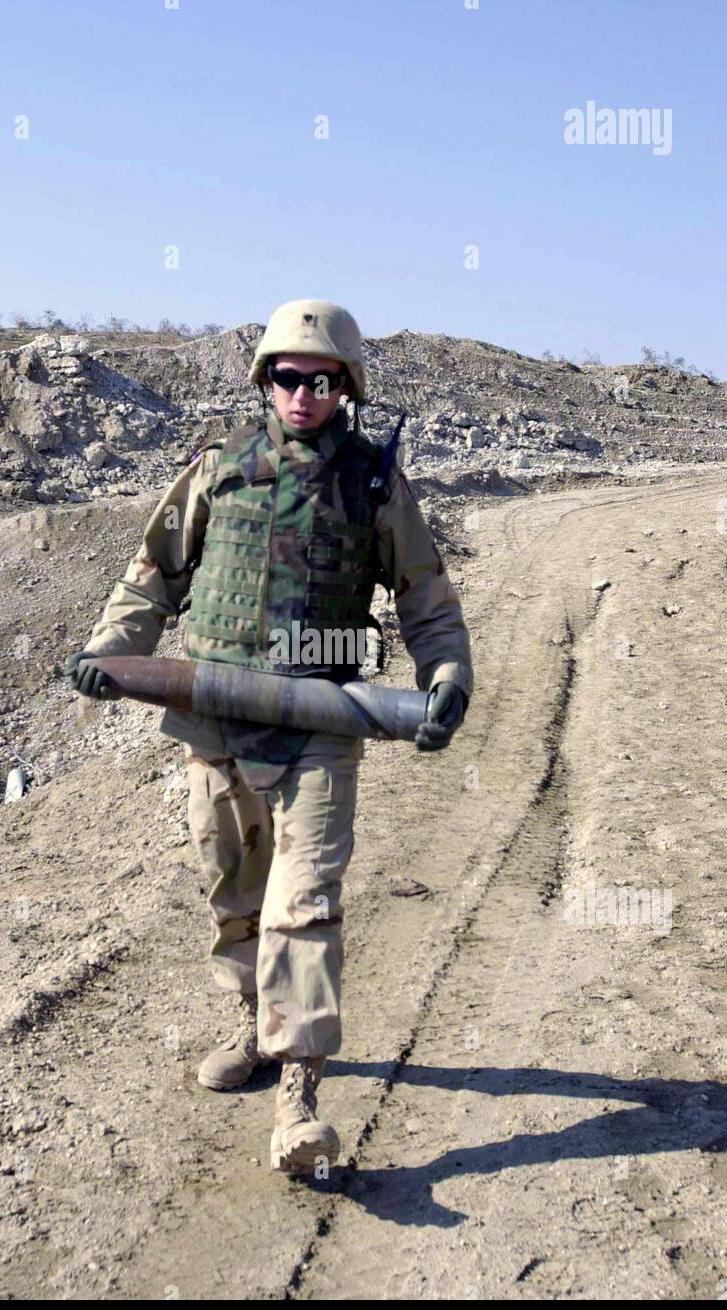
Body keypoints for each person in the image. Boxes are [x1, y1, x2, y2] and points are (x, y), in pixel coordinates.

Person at [65, 299, 473, 1174]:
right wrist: (111, 654)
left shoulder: (373, 483)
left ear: (346, 388)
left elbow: (427, 602)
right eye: (288, 376)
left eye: (322, 379)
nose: (304, 392)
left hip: (322, 728)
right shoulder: (218, 469)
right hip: (215, 724)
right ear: (266, 380)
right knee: (234, 894)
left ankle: (300, 1094)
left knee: (304, 904)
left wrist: (446, 677)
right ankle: (251, 1024)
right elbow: (155, 576)